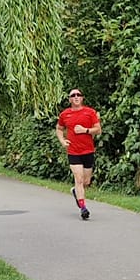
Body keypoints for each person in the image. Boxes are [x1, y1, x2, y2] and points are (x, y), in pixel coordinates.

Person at [55, 88, 100, 219]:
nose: (76, 97)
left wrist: (85, 130)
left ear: (82, 98)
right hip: (73, 151)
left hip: (88, 150)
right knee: (79, 179)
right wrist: (62, 140)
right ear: (69, 99)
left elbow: (98, 130)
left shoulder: (90, 112)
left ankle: (75, 192)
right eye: (73, 95)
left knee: (86, 182)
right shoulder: (65, 114)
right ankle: (83, 208)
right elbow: (59, 129)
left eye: (78, 95)